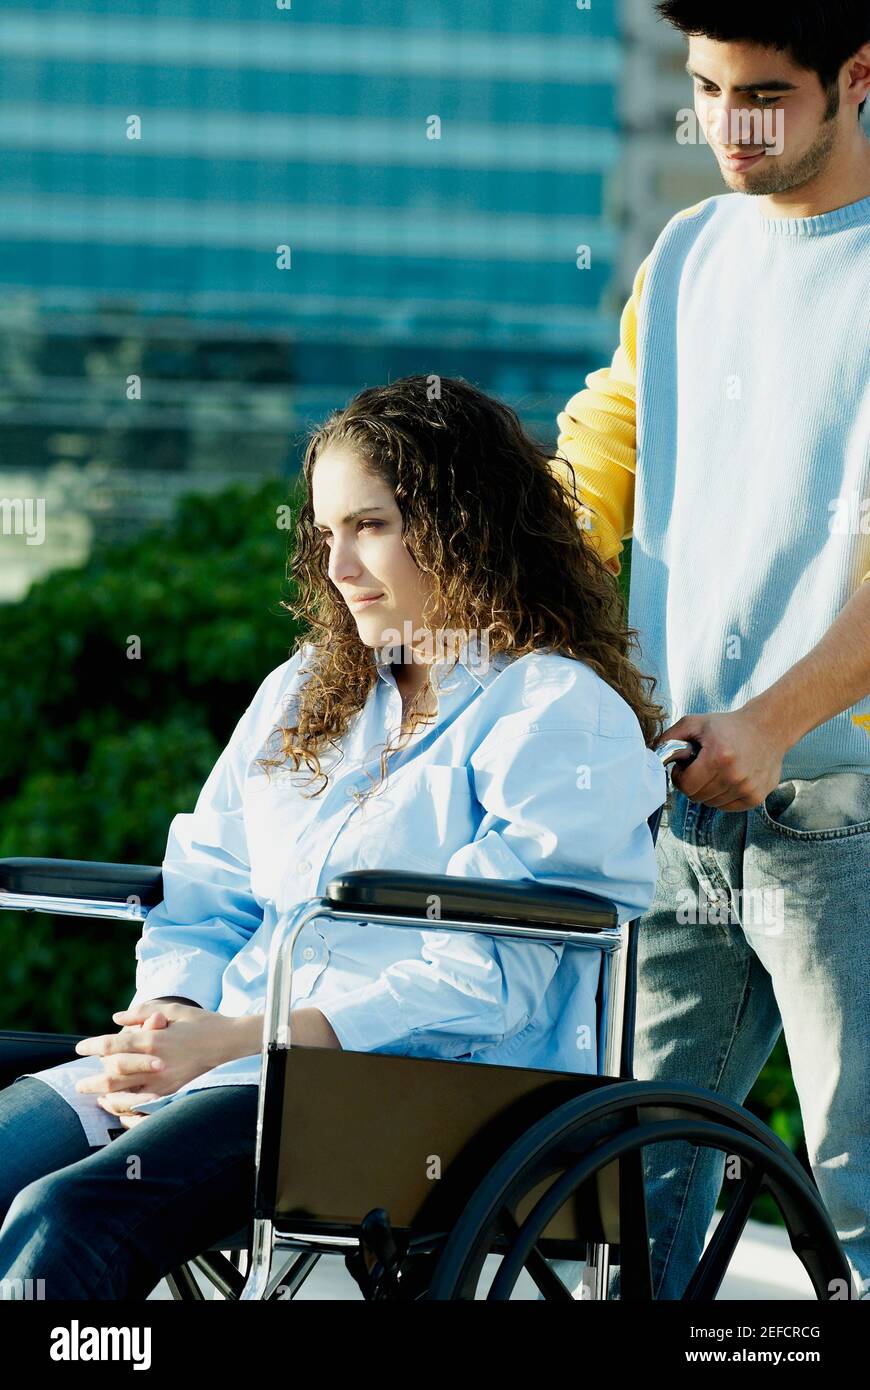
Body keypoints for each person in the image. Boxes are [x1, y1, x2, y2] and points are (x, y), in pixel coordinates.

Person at [0, 375, 666, 1299]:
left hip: (405, 1093)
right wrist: (179, 1013)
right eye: (325, 535)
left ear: (463, 525)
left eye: (371, 526)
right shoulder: (308, 688)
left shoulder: (557, 712)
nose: (338, 568)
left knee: (65, 1224)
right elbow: (210, 882)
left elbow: (494, 973)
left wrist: (248, 1038)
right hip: (225, 1061)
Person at [549, 2, 870, 1299]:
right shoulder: (685, 254)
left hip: (845, 819)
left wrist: (777, 720)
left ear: (857, 74)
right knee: (624, 1199)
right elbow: (600, 451)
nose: (727, 129)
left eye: (763, 97)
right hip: (679, 806)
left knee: (857, 1202)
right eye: (702, 90)